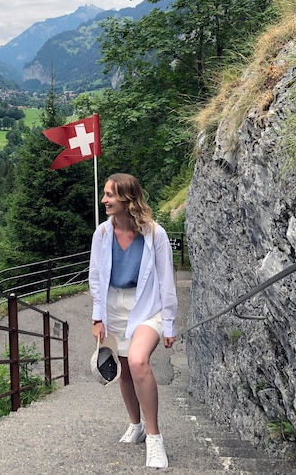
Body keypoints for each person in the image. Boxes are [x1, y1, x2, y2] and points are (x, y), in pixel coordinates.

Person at [89, 173, 178, 469]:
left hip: (147, 308)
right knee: (124, 371)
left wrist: (169, 322)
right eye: (104, 194)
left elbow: (166, 280)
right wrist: (97, 318)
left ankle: (154, 438)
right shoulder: (101, 234)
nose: (105, 201)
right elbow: (97, 279)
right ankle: (135, 425)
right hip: (114, 309)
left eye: (110, 195)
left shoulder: (155, 234)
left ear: (128, 199)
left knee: (139, 361)